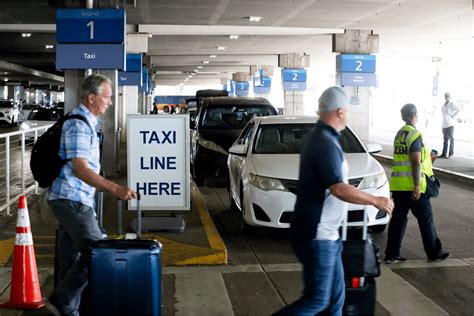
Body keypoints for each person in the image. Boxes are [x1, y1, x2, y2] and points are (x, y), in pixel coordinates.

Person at [273, 86, 394, 316]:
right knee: (318, 301)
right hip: (318, 234)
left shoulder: (319, 137)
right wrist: (375, 200)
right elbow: (338, 188)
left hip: (327, 234)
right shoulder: (325, 142)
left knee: (336, 301)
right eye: (347, 109)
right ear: (339, 111)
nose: (348, 114)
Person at [46, 74, 137, 316]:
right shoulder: (77, 125)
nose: (109, 102)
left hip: (75, 198)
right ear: (91, 98)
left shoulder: (87, 123)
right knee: (99, 250)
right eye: (106, 97)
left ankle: (68, 309)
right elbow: (80, 168)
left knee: (71, 256)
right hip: (71, 198)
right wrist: (115, 188)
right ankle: (63, 300)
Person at [384, 103, 449, 264]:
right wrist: (417, 186)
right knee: (426, 219)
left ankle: (391, 255)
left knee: (398, 219)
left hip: (399, 186)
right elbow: (415, 162)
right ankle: (434, 253)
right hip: (413, 187)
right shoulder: (414, 135)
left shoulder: (399, 134)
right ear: (414, 115)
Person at [439, 92, 459, 158]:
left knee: (451, 139)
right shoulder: (444, 104)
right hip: (444, 124)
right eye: (445, 96)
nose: (446, 97)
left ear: (450, 97)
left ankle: (451, 154)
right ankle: (444, 154)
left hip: (450, 124)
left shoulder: (451, 104)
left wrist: (454, 115)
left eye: (447, 96)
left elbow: (458, 110)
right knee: (445, 140)